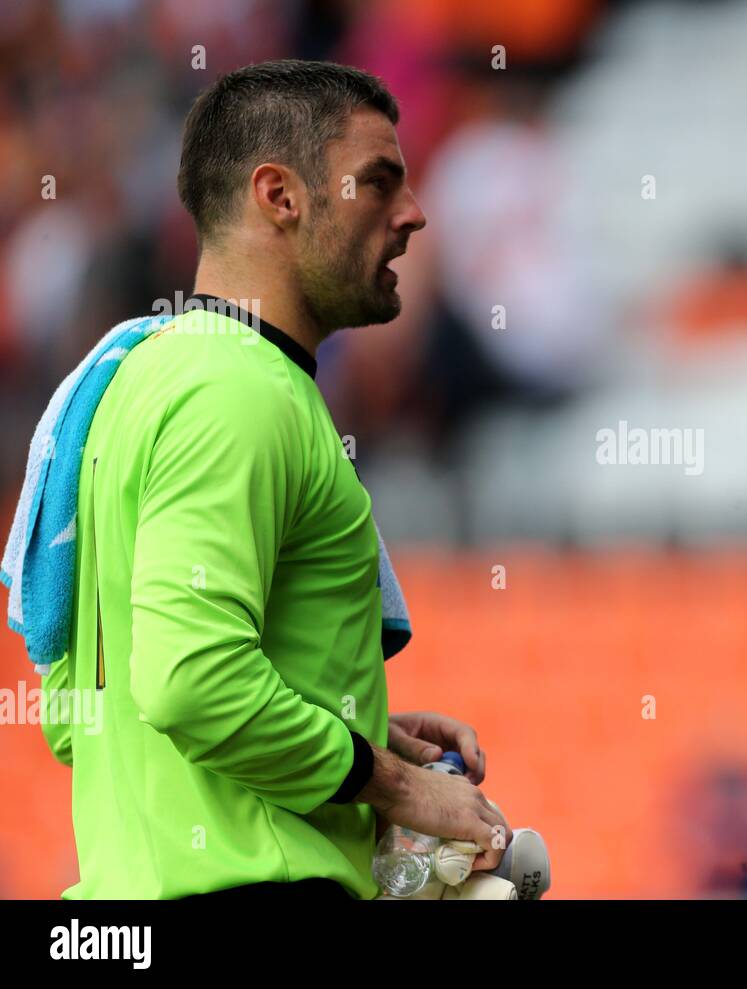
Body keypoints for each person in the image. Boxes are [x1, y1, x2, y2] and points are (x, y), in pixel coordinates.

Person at [37, 59, 510, 899]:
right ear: (280, 195)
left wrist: (351, 726)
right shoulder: (241, 390)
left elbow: (84, 716)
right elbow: (192, 681)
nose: (414, 214)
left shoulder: (131, 381)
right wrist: (395, 784)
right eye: (379, 181)